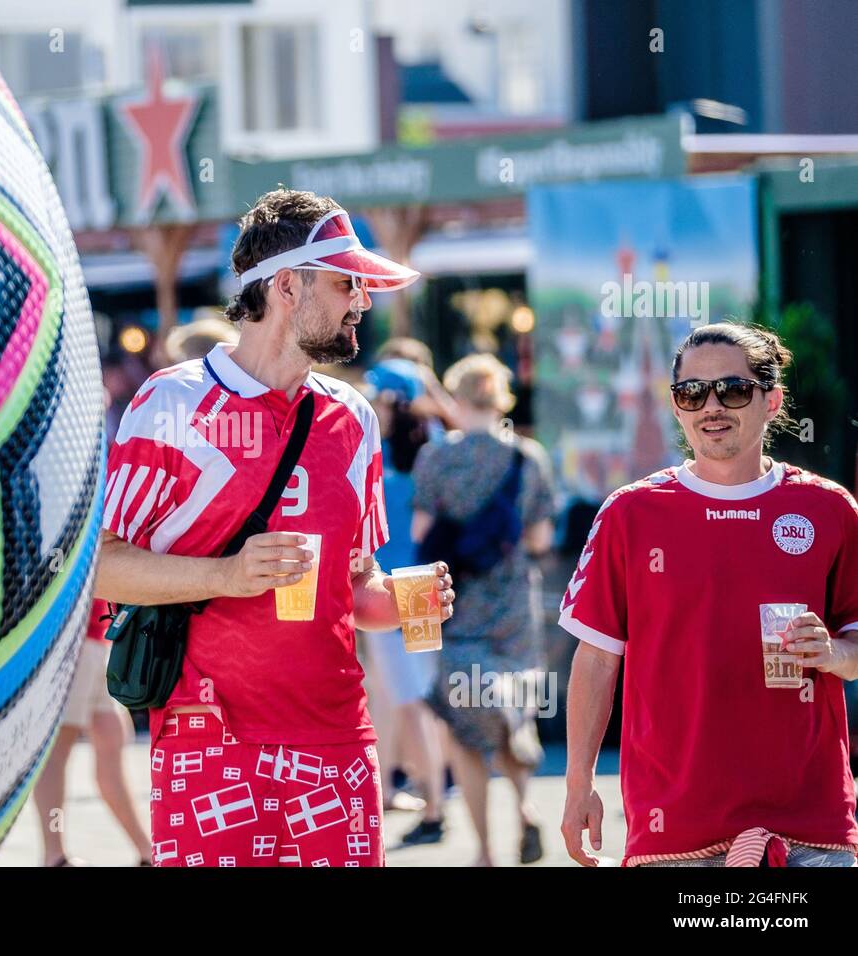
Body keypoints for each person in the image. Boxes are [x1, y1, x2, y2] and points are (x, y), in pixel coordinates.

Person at [93, 189, 455, 868]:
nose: (363, 302)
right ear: (287, 286)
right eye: (347, 282)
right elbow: (102, 566)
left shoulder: (353, 418)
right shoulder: (170, 403)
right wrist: (226, 575)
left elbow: (357, 589)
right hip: (210, 746)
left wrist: (413, 601)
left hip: (338, 747)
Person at [560, 322, 858, 868]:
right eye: (692, 393)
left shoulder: (830, 508)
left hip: (809, 827)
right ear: (676, 407)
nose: (711, 406)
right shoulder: (630, 513)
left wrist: (836, 654)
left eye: (734, 389)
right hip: (674, 829)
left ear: (772, 400)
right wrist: (579, 783)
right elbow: (598, 659)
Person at [412, 353, 555, 866]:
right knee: (513, 717)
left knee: (464, 727)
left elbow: (420, 535)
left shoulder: (436, 458)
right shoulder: (528, 457)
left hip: (457, 607)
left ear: (457, 394)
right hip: (514, 609)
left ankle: (486, 853)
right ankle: (524, 807)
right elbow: (540, 537)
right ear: (500, 399)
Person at [359, 358, 448, 842]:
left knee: (409, 700)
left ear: (394, 401)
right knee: (404, 697)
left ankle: (434, 808)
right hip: (412, 584)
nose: (371, 403)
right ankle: (410, 792)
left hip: (401, 586)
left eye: (378, 396)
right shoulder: (428, 451)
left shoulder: (397, 455)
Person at [31, 599, 153, 866]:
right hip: (67, 635)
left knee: (113, 737)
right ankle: (54, 857)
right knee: (57, 748)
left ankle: (147, 853)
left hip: (97, 635)